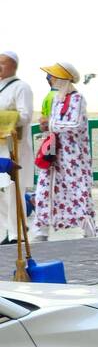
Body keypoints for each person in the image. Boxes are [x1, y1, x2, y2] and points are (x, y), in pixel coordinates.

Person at [31, 62, 97, 241]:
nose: (50, 79)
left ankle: (89, 228)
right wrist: (46, 126)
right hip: (55, 154)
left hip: (73, 156)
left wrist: (50, 124)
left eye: (54, 76)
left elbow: (75, 124)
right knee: (45, 187)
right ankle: (41, 229)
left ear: (63, 78)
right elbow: (55, 125)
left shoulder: (78, 99)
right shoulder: (57, 100)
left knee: (76, 189)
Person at [0, 50, 35, 246]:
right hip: (0, 146)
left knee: (14, 189)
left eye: (2, 63)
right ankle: (11, 227)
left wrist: (1, 119)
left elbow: (25, 116)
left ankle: (16, 234)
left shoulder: (21, 87)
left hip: (15, 146)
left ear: (13, 65)